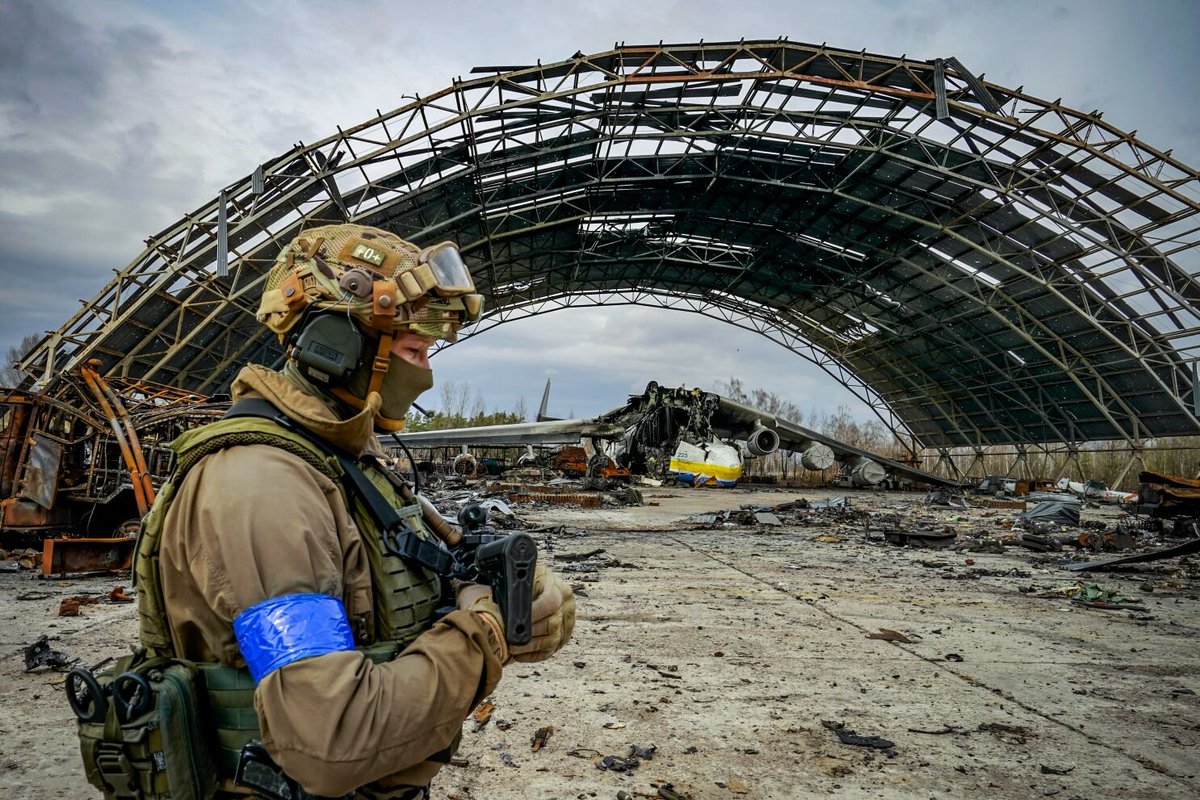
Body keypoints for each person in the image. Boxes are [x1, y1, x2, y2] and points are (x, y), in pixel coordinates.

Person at [133, 224, 575, 799]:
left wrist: (526, 594)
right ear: (336, 344)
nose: (427, 372)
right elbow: (331, 739)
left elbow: (444, 567)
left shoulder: (346, 465)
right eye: (413, 349)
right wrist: (487, 633)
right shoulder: (263, 489)